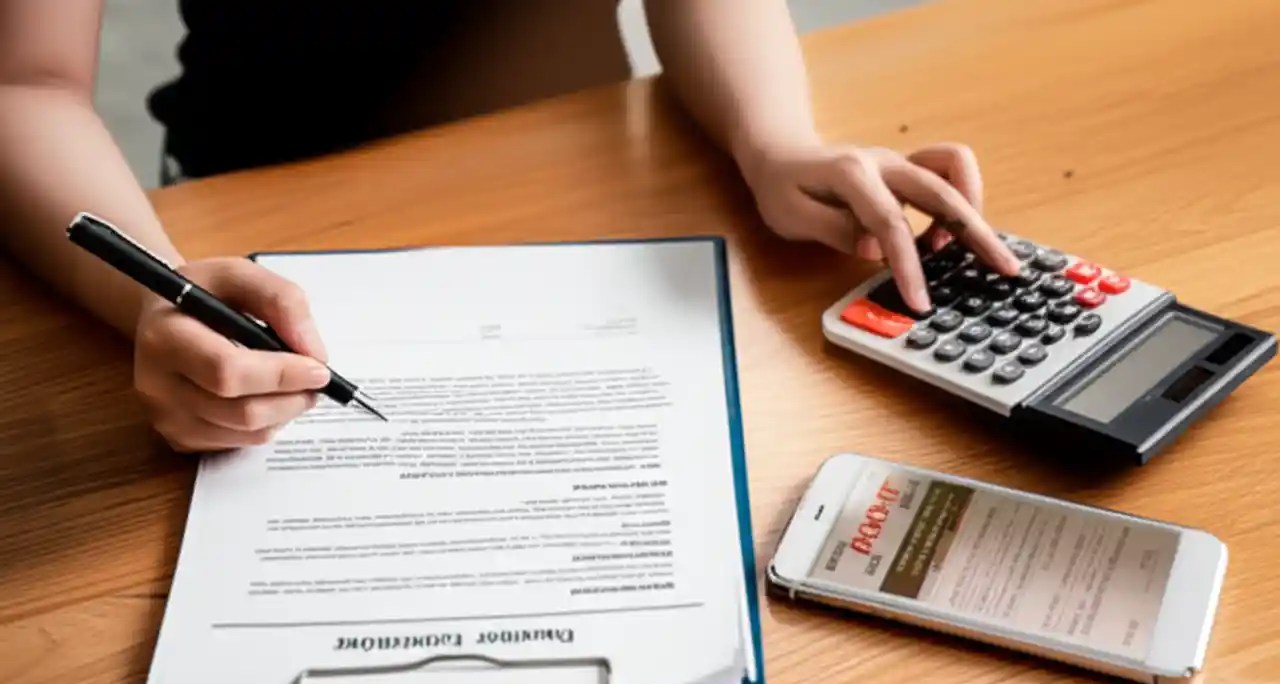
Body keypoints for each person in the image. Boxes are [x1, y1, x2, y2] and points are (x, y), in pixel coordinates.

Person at [0, 0, 1018, 452]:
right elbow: (23, 81)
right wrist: (149, 291)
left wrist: (774, 139)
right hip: (250, 228)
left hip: (603, 207)